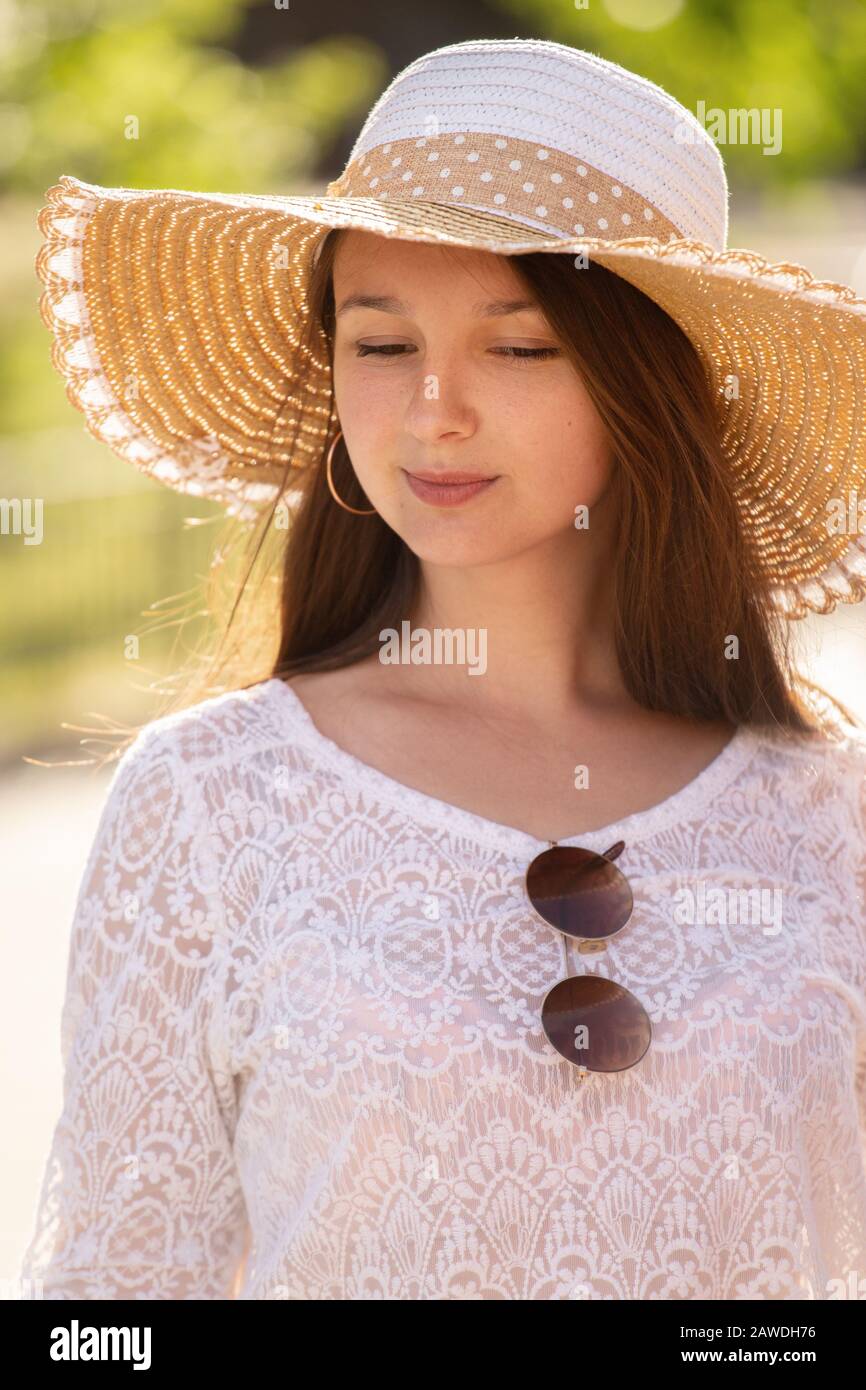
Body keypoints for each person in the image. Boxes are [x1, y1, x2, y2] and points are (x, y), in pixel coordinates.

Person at [21, 38, 866, 1300]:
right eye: (377, 344)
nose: (431, 409)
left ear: (652, 386)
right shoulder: (208, 800)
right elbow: (106, 1308)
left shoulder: (825, 816)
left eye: (516, 348)